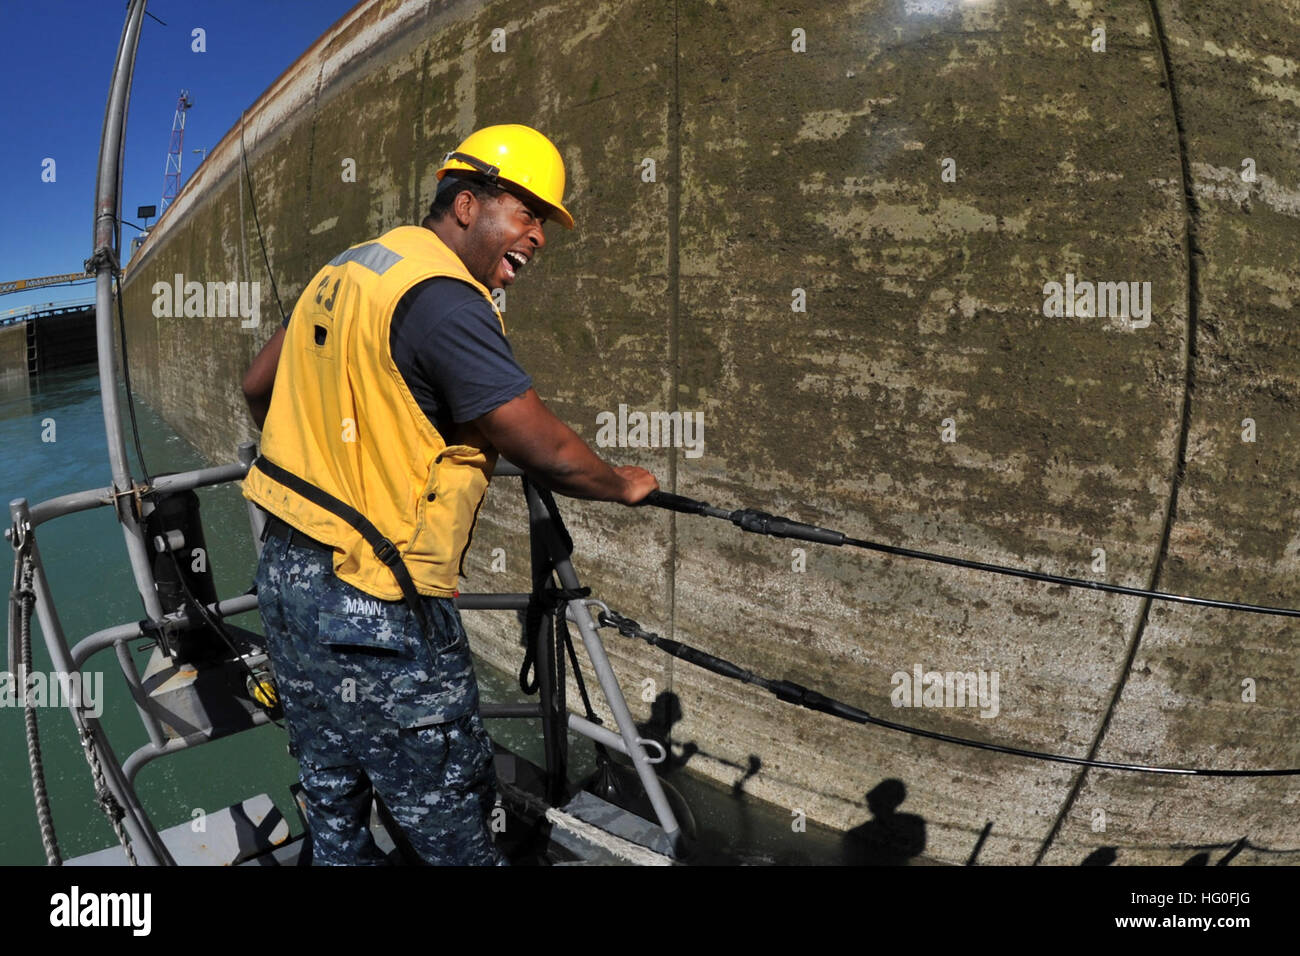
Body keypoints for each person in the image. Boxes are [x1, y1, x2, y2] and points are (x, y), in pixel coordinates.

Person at [239, 124, 658, 865]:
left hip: (286, 583)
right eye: (527, 214)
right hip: (378, 606)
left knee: (333, 802)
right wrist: (622, 483)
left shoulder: (350, 269)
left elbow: (258, 385)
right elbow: (544, 448)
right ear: (466, 204)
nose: (536, 237)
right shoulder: (441, 297)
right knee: (456, 826)